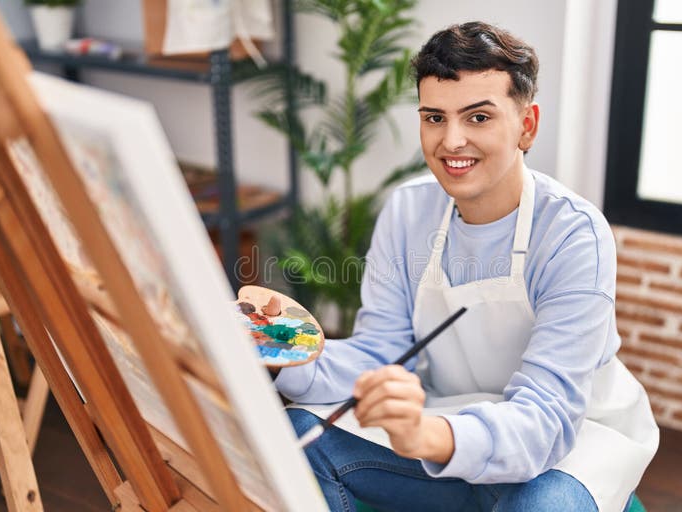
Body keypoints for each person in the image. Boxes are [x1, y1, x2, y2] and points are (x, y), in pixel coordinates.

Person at [275, 21, 659, 512]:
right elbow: (384, 353)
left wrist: (430, 435)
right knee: (300, 431)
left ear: (527, 125)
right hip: (446, 418)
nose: (451, 141)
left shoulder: (573, 234)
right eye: (434, 118)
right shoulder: (408, 211)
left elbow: (545, 419)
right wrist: (280, 352)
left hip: (569, 443)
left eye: (478, 118)